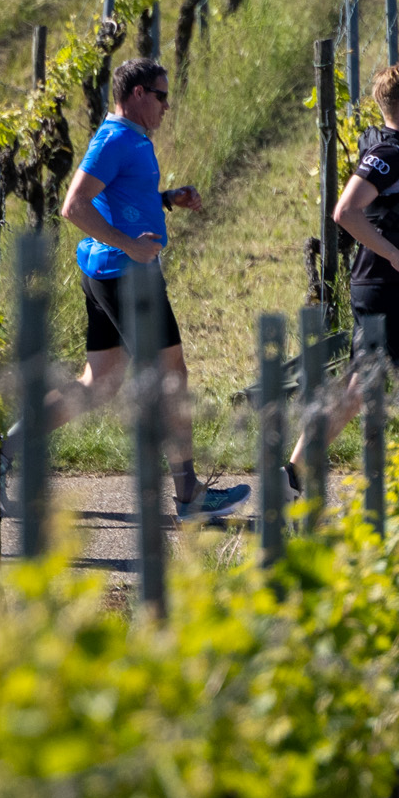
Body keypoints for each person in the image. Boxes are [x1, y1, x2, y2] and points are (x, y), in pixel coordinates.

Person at [53, 58, 247, 521]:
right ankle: (189, 494)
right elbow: (74, 205)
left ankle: (8, 449)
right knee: (171, 374)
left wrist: (166, 200)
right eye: (161, 95)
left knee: (98, 383)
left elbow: (113, 198)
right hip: (127, 273)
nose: (166, 105)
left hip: (112, 269)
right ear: (137, 93)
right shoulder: (116, 138)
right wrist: (128, 246)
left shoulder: (130, 139)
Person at [336, 62, 399, 374]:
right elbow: (346, 212)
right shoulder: (390, 154)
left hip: (385, 284)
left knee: (360, 389)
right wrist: (397, 257)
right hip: (386, 285)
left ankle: (312, 426)